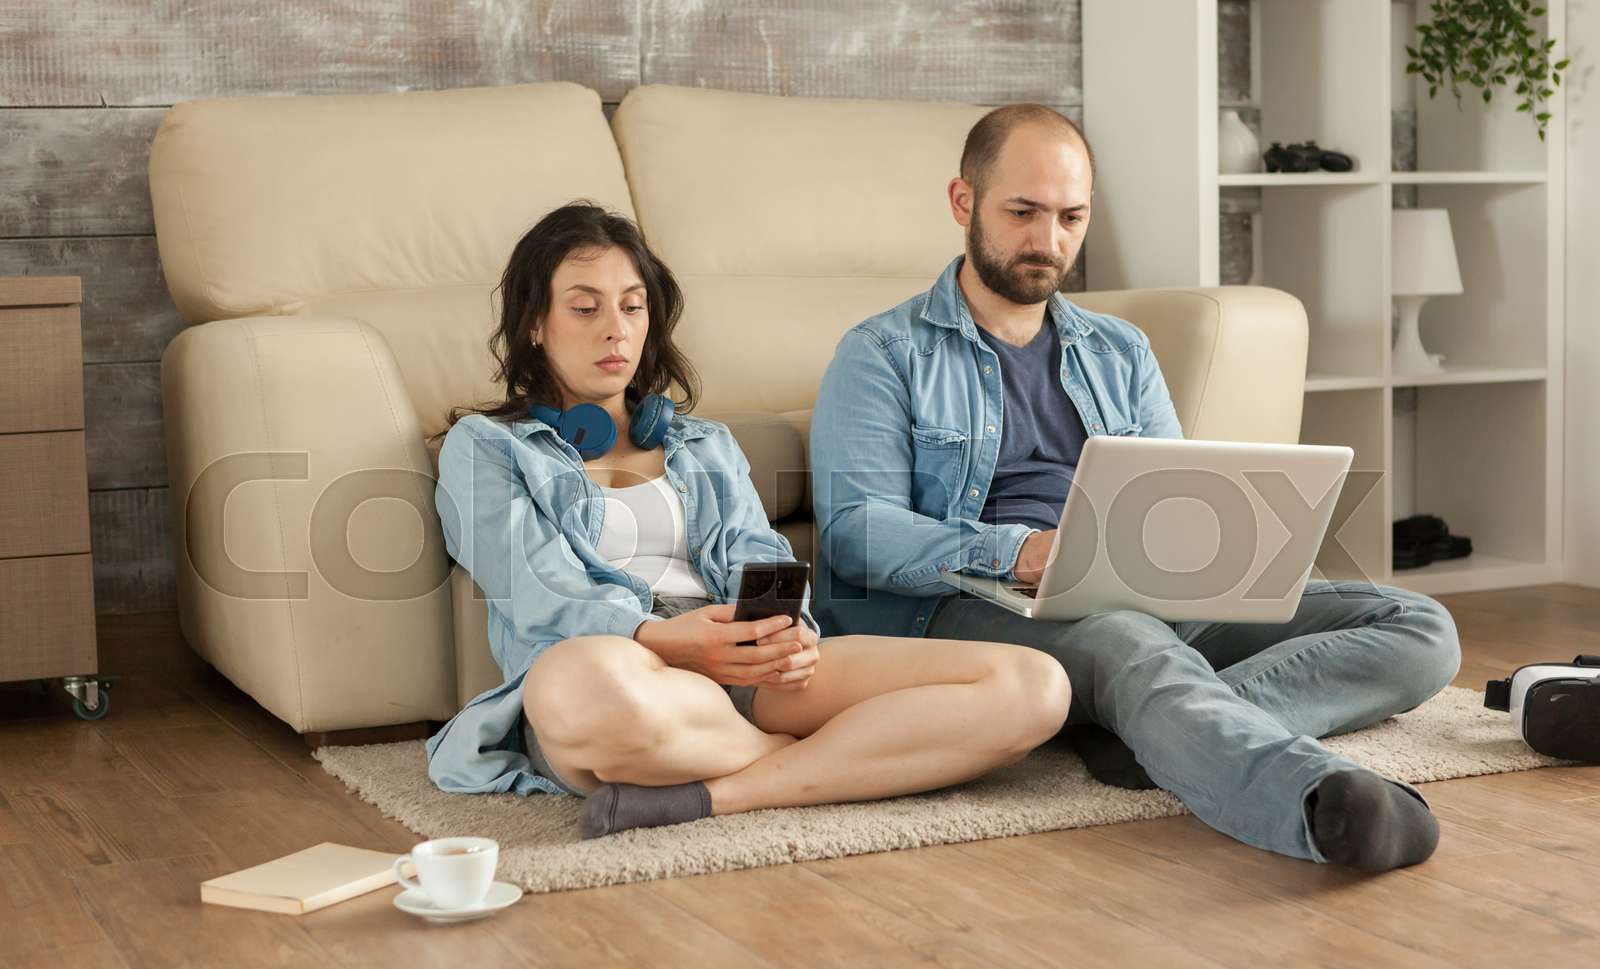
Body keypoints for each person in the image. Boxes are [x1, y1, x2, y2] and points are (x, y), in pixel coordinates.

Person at [809, 106, 1463, 871]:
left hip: (1137, 593)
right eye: (1022, 212)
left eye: (1070, 217)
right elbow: (855, 532)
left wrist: (1223, 549)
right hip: (975, 601)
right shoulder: (883, 352)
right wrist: (1018, 551)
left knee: (1418, 626)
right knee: (1131, 645)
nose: (1048, 242)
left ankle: (1147, 729)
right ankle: (1316, 802)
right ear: (964, 202)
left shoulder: (1120, 350)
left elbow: (1173, 498)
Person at [426, 202, 1072, 840]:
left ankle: (725, 792)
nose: (615, 329)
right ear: (535, 323)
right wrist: (666, 640)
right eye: (585, 307)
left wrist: (782, 634)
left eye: (632, 305)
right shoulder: (486, 446)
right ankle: (844, 756)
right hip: (625, 672)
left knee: (1033, 685)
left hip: (740, 664)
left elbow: (759, 557)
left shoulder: (703, 443)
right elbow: (543, 595)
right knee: (573, 684)